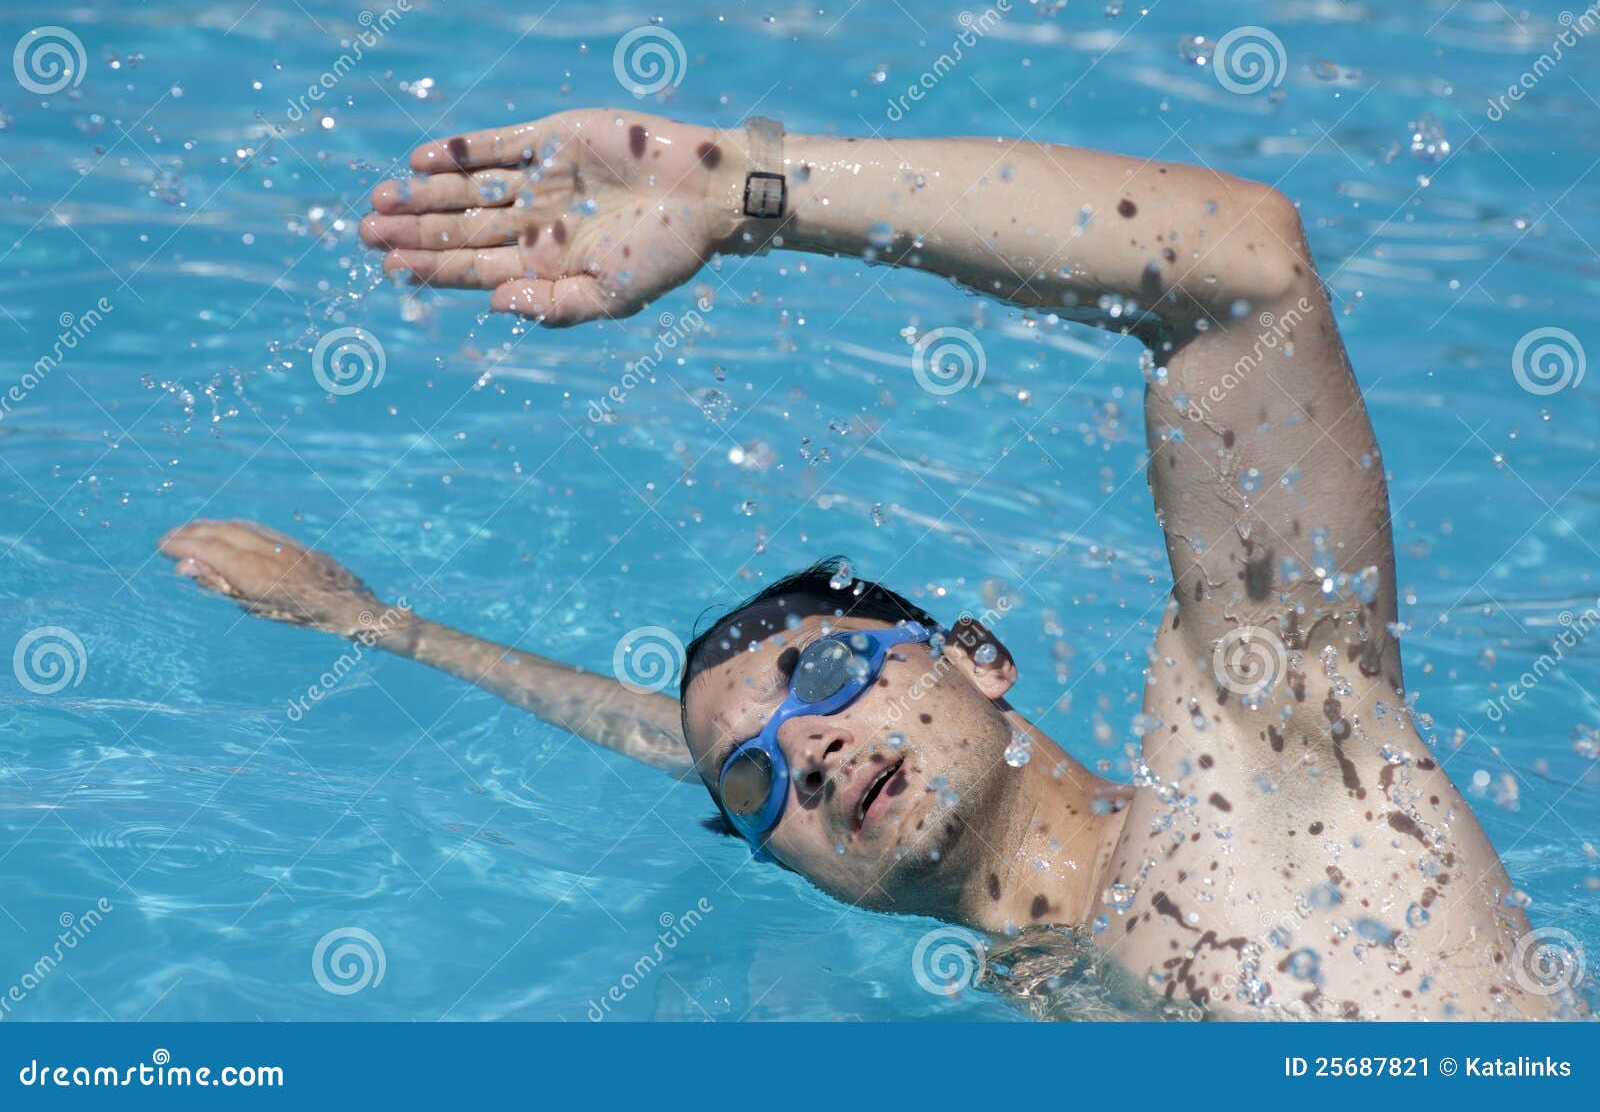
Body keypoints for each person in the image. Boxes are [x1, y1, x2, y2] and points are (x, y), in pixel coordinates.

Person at [158, 108, 1567, 1020]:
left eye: (826, 672)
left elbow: (1248, 273)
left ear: (979, 656)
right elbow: (691, 742)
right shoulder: (1033, 987)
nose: (815, 752)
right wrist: (385, 627)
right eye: (762, 779)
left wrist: (746, 194)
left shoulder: (1263, 760)